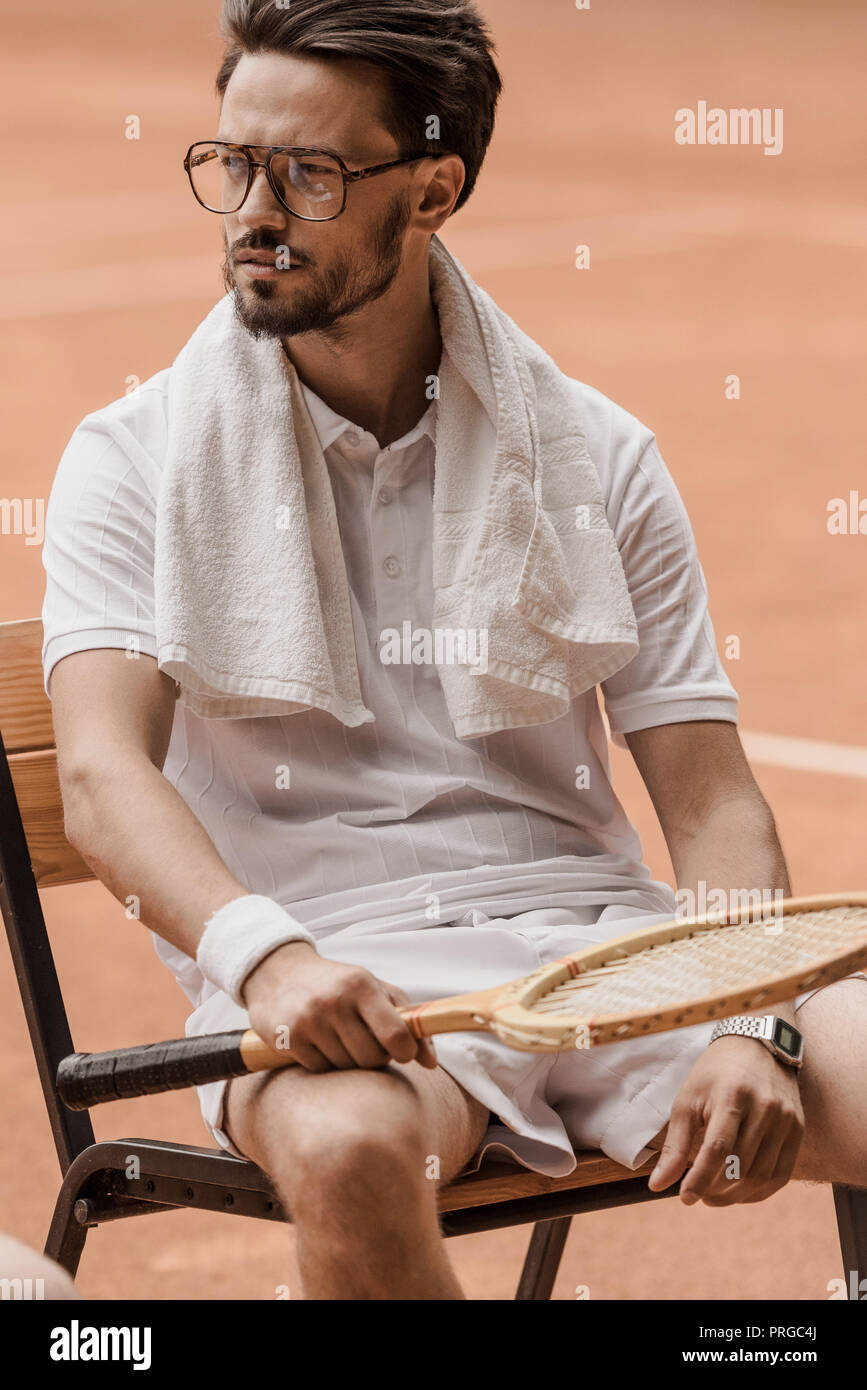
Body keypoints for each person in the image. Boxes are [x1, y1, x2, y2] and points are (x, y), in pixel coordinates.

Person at [42, 0, 866, 1300]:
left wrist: (751, 1016)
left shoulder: (597, 453)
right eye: (231, 163)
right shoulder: (131, 462)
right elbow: (99, 778)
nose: (253, 210)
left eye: (308, 175)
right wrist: (268, 958)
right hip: (331, 982)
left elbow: (712, 800)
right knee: (356, 1147)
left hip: (608, 952)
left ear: (435, 187)